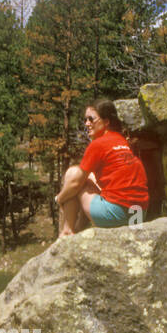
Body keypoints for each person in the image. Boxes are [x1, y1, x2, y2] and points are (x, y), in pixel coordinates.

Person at [56, 99, 149, 236]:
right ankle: (78, 231)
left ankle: (67, 231)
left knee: (73, 173)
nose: (87, 124)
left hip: (117, 215)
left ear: (106, 122)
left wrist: (59, 199)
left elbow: (75, 183)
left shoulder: (98, 144)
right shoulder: (121, 140)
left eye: (91, 119)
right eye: (85, 120)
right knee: (89, 176)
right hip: (139, 215)